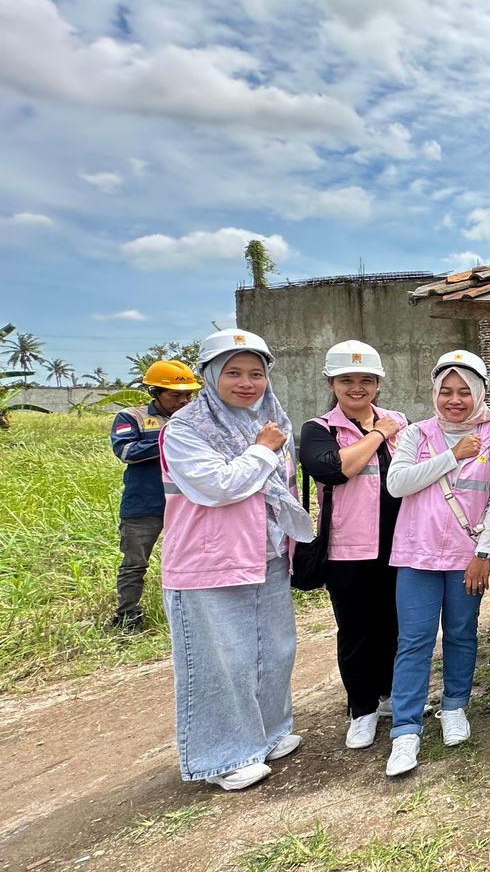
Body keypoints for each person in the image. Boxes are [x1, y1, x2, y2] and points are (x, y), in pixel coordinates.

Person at [159, 329, 315, 791]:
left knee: (272, 649)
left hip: (263, 553)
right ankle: (222, 756)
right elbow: (219, 486)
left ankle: (267, 734)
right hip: (208, 561)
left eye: (256, 373)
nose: (246, 383)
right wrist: (263, 450)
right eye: (233, 373)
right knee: (219, 660)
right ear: (209, 376)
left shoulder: (266, 422)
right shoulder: (186, 429)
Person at [383, 350, 490, 777]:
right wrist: (452, 454)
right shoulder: (417, 434)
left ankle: (454, 707)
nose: (455, 400)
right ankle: (406, 730)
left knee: (461, 634)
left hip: (465, 558)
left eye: (464, 392)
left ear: (480, 394)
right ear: (435, 393)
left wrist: (483, 554)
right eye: (447, 391)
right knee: (413, 641)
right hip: (417, 554)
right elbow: (397, 484)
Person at [298, 341, 407, 751]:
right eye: (347, 380)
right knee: (357, 630)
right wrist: (378, 433)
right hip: (348, 550)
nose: (357, 388)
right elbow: (333, 470)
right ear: (332, 383)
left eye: (366, 380)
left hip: (398, 544)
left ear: (378, 383)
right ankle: (361, 709)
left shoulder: (401, 421)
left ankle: (394, 695)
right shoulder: (319, 429)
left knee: (396, 624)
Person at [109, 360, 201, 631]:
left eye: (188, 394)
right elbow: (126, 452)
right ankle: (127, 616)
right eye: (176, 395)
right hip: (144, 504)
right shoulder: (131, 417)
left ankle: (192, 613)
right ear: (154, 392)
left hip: (187, 504)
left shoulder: (196, 419)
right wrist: (168, 437)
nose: (184, 400)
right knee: (135, 563)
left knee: (192, 559)